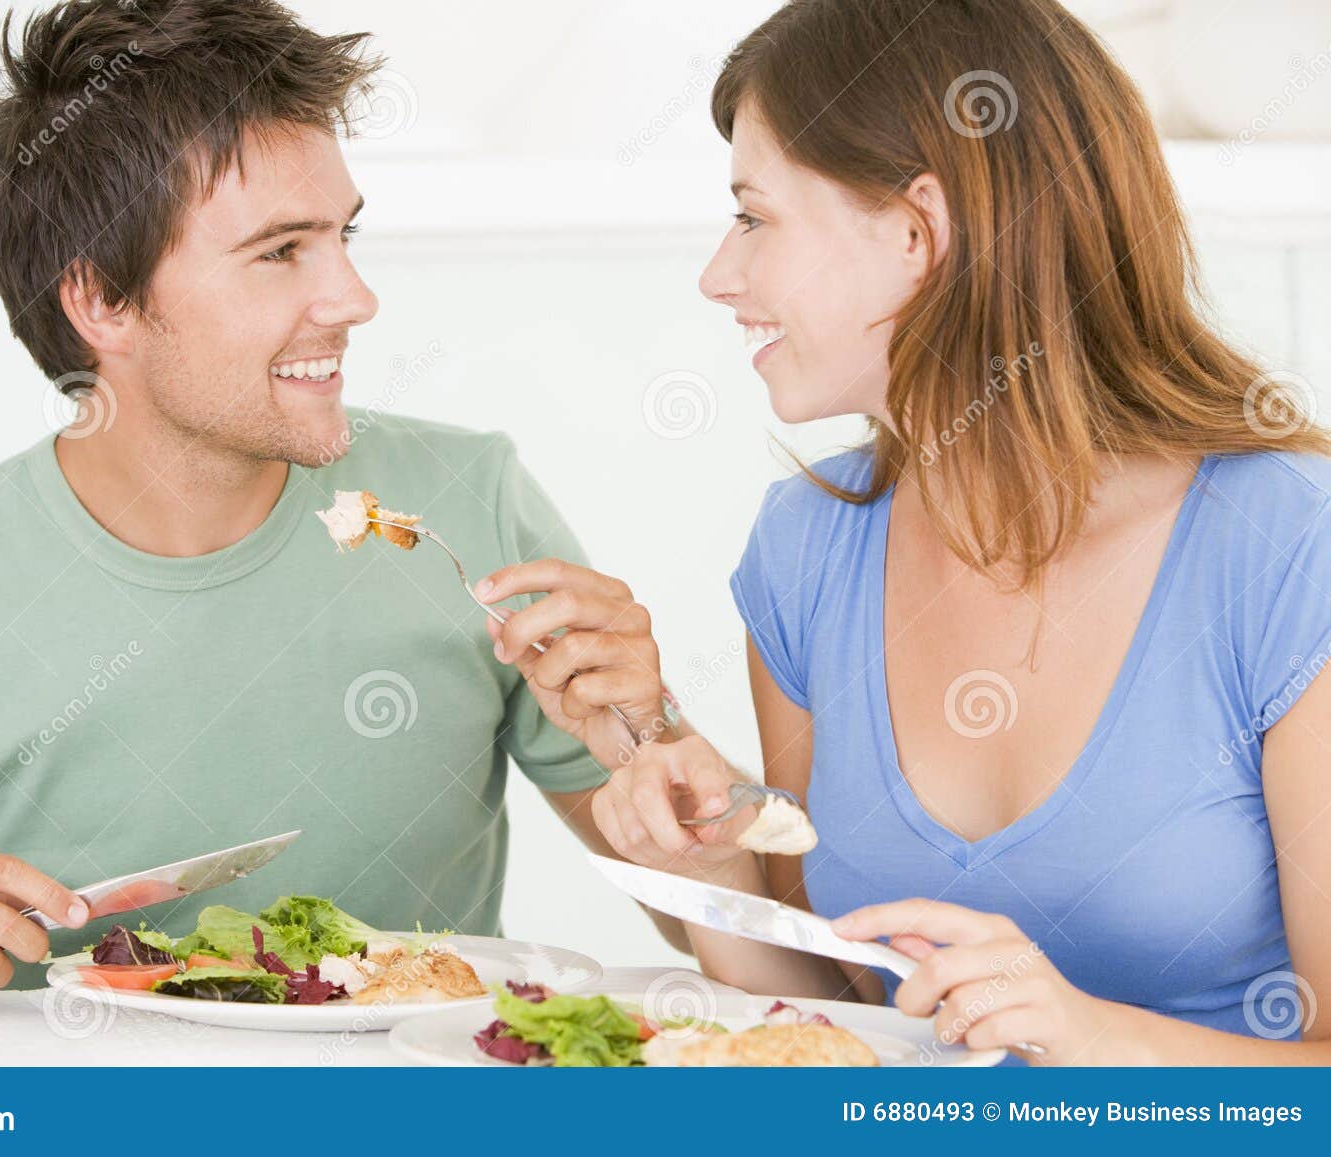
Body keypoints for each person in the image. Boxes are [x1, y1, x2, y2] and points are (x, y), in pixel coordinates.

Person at [0, 0, 678, 1007]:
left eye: (343, 236)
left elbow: (723, 910)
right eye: (281, 251)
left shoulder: (467, 507)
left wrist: (655, 740)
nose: (354, 296)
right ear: (101, 300)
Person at [483, 0, 1331, 1063]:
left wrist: (1093, 1033)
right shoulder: (806, 548)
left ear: (915, 230)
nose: (718, 275)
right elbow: (838, 1011)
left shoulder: (1288, 546)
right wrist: (710, 865)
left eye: (753, 216)